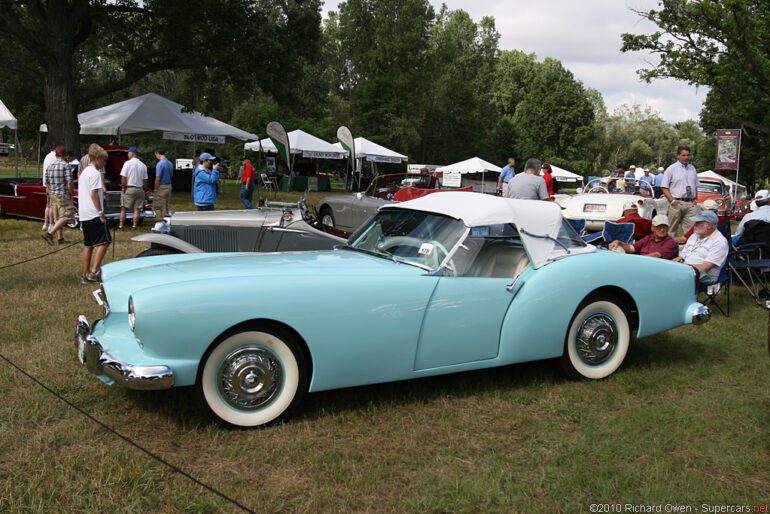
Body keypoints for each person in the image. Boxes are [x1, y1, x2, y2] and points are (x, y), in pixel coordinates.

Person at [78, 145, 111, 284]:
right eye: (104, 160)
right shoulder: (95, 173)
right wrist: (100, 212)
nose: (105, 163)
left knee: (89, 244)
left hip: (84, 213)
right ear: (97, 159)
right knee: (105, 241)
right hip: (93, 213)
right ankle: (94, 271)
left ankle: (85, 275)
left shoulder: (84, 172)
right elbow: (94, 194)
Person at [673, 210, 729, 285]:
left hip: (703, 275)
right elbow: (682, 257)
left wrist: (680, 269)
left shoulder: (719, 242)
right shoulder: (695, 235)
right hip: (685, 269)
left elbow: (704, 267)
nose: (694, 225)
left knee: (669, 279)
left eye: (698, 222)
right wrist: (670, 264)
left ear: (709, 225)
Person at [662, 145, 700, 236]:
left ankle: (689, 245)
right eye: (683, 155)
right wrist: (672, 201)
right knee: (671, 231)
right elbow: (664, 187)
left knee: (692, 232)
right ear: (678, 156)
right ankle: (669, 245)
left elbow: (696, 186)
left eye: (688, 155)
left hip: (690, 204)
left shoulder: (692, 168)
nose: (686, 157)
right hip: (676, 203)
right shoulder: (671, 169)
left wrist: (696, 199)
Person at [41, 145, 75, 245]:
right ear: (65, 155)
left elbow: (47, 183)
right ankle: (49, 234)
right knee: (67, 216)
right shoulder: (66, 165)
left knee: (57, 218)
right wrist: (72, 193)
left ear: (55, 155)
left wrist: (49, 194)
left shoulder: (50, 166)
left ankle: (60, 239)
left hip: (52, 195)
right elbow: (69, 182)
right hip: (63, 195)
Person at [608, 214, 678, 259]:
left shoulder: (670, 242)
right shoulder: (649, 238)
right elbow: (631, 248)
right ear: (652, 228)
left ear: (668, 229)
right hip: (642, 264)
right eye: (659, 227)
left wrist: (635, 260)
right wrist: (619, 243)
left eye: (664, 227)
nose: (662, 230)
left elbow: (657, 255)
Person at [118, 146, 148, 230]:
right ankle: (134, 226)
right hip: (139, 189)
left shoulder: (127, 163)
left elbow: (124, 178)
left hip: (129, 188)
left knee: (124, 208)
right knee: (137, 209)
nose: (128, 154)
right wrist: (144, 190)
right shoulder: (143, 165)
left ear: (133, 154)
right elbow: (145, 181)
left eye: (128, 153)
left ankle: (121, 226)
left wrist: (123, 188)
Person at [41, 145, 59, 232]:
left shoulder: (47, 156)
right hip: (52, 183)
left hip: (46, 183)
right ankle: (51, 224)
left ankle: (45, 223)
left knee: (48, 204)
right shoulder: (55, 157)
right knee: (52, 205)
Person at [153, 148, 174, 218]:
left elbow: (158, 178)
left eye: (155, 155)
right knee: (167, 205)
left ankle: (164, 221)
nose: (156, 156)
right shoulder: (170, 163)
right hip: (169, 185)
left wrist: (155, 189)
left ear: (157, 153)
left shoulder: (160, 164)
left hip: (162, 186)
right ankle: (168, 221)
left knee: (162, 206)